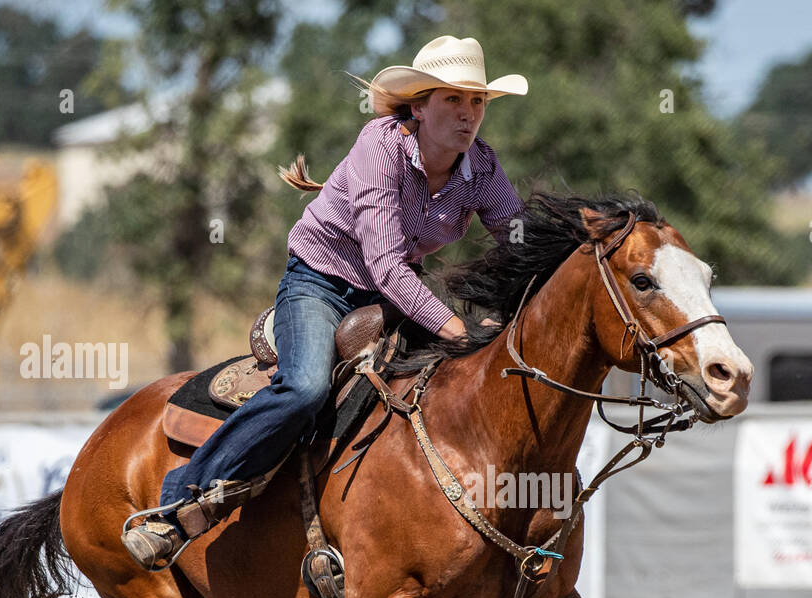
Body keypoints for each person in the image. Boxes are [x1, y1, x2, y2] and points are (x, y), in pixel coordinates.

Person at [122, 35, 527, 570]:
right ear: (420, 105)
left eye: (477, 101)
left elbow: (521, 239)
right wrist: (455, 329)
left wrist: (559, 261)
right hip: (321, 284)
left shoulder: (482, 167)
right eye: (453, 100)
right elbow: (385, 265)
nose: (469, 114)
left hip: (392, 293)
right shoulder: (380, 148)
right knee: (306, 387)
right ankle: (176, 503)